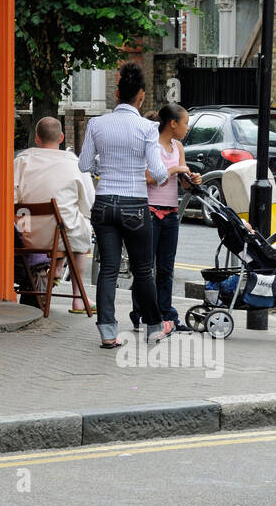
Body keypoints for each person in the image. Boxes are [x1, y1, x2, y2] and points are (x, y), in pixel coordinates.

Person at [77, 62, 175, 348]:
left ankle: (108, 332)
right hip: (135, 204)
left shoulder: (97, 124)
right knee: (143, 270)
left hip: (104, 201)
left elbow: (84, 164)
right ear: (141, 96)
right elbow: (157, 173)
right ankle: (155, 326)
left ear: (117, 93)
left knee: (108, 269)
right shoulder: (147, 127)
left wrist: (103, 165)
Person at [14, 116, 95, 313]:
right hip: (63, 237)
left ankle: (57, 265)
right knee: (81, 226)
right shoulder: (75, 163)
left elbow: (11, 199)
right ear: (61, 137)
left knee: (60, 225)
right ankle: (77, 298)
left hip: (28, 236)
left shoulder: (21, 161)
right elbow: (89, 204)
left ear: (37, 138)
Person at [132, 103, 201, 332]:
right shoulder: (151, 146)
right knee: (145, 269)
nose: (187, 128)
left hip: (170, 214)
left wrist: (192, 179)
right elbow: (148, 178)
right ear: (172, 124)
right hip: (150, 212)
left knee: (166, 269)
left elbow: (183, 182)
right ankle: (140, 312)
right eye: (185, 123)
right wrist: (174, 170)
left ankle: (167, 315)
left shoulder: (178, 147)